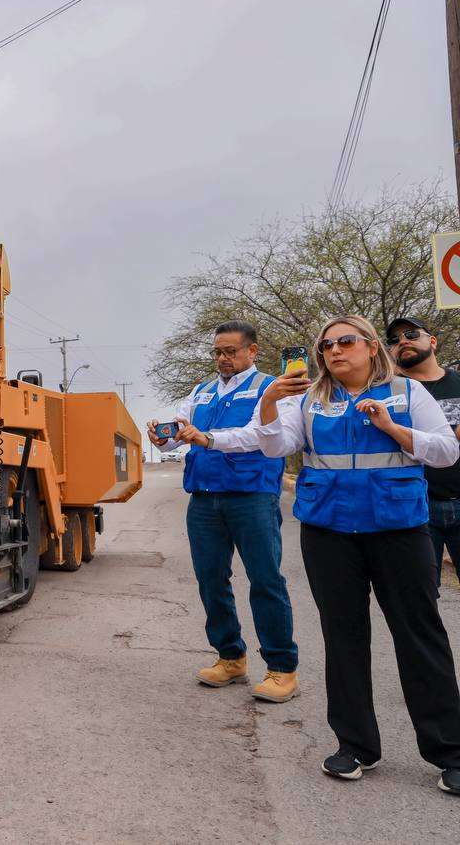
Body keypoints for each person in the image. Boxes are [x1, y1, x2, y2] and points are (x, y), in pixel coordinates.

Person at [190, 314, 460, 794]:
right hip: (330, 534)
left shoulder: (407, 393)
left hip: (398, 530)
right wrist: (271, 405)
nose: (335, 351)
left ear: (372, 346)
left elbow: (445, 452)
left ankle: (448, 751)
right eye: (326, 345)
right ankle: (355, 746)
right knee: (344, 638)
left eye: (346, 342)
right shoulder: (309, 399)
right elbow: (276, 447)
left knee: (420, 637)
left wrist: (394, 429)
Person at [149, 320, 299, 702]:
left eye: (231, 351)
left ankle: (282, 668)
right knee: (210, 580)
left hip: (251, 496)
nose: (223, 358)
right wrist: (162, 439)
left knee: (265, 580)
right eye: (218, 351)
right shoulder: (201, 392)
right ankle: (230, 656)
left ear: (252, 351)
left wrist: (208, 438)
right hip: (204, 498)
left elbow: (260, 436)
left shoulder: (271, 387)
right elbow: (179, 439)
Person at [386, 316, 460, 585]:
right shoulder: (389, 393)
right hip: (415, 506)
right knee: (421, 596)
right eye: (394, 340)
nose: (402, 341)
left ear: (432, 341)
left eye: (411, 334)